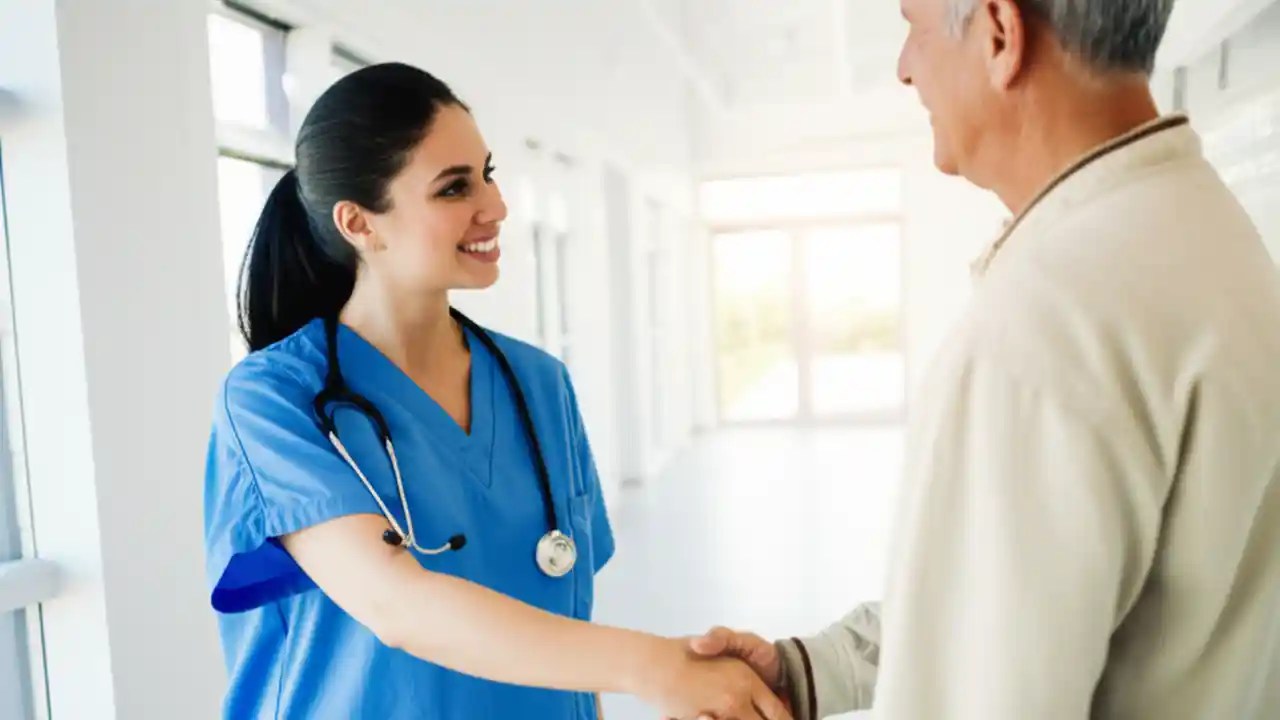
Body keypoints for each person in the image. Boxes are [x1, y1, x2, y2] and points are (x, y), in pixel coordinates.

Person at [684, 0, 1280, 718]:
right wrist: (812, 669)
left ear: (1000, 33)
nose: (904, 68)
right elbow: (1032, 596)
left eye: (913, 25)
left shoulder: (1045, 328)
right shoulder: (1210, 230)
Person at [202, 62, 791, 720]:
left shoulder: (538, 384)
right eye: (455, 188)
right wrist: (654, 665)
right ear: (360, 224)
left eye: (488, 174)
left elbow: (564, 623)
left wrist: (654, 679)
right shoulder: (275, 401)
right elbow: (396, 605)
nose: (496, 207)